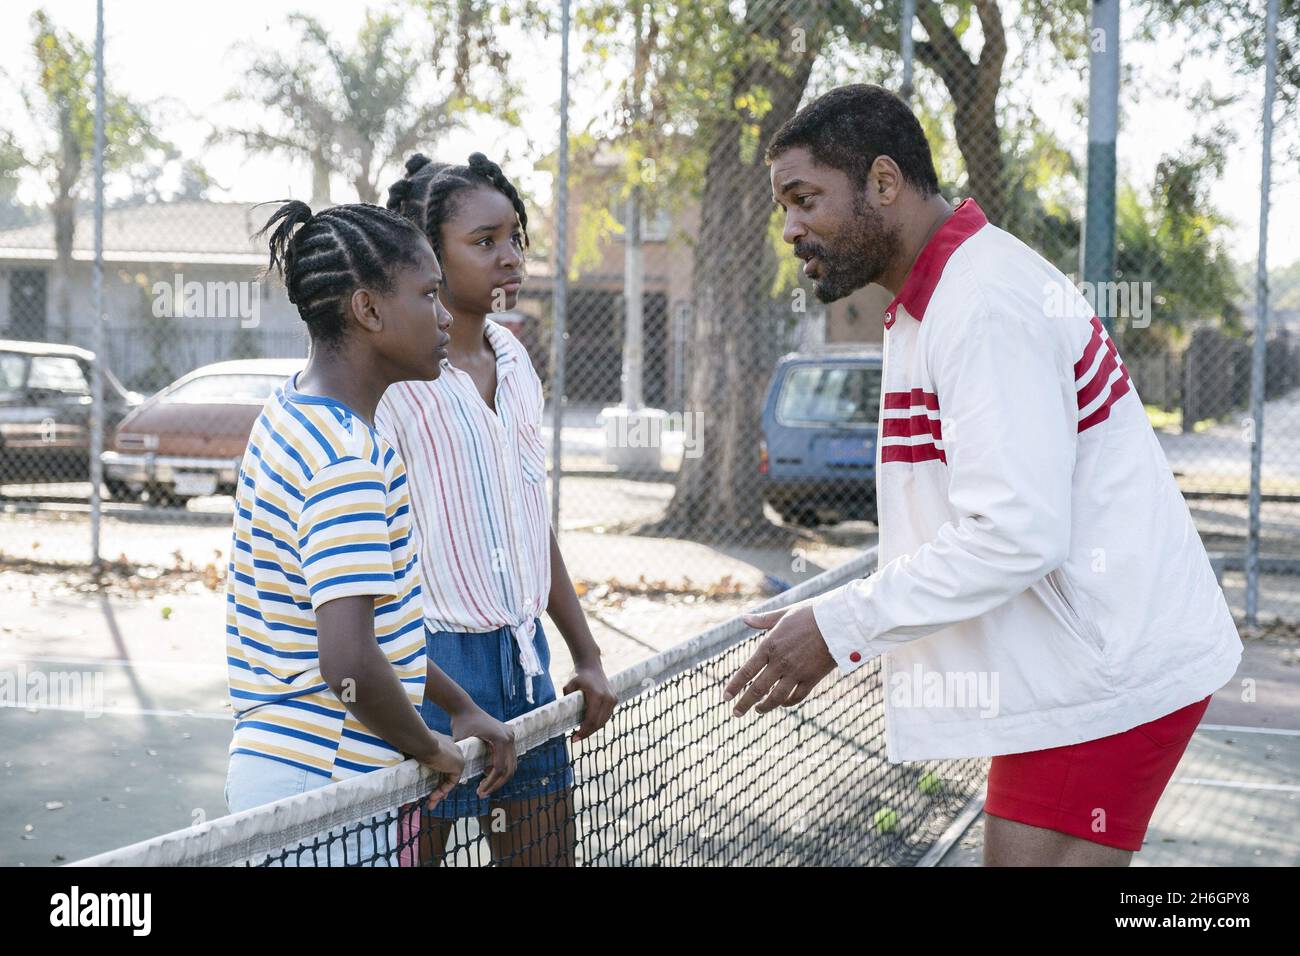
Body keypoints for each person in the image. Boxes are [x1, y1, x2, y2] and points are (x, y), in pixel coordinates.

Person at [725, 84, 1242, 866]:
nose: (791, 228)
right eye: (784, 208)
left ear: (885, 183)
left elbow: (1014, 534)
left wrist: (839, 628)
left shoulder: (984, 300)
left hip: (1109, 670)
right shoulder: (939, 295)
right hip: (1081, 664)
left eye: (805, 200)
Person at [380, 153, 617, 866]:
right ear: (427, 255)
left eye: (513, 236)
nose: (509, 256)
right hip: (429, 674)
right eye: (483, 243)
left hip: (525, 665)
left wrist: (588, 653)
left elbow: (527, 519)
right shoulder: (393, 380)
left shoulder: (514, 361)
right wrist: (439, 694)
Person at [225, 199, 475, 864]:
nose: (445, 315)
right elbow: (348, 663)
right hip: (328, 789)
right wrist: (431, 745)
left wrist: (459, 705)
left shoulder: (290, 412)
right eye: (428, 294)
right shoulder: (345, 460)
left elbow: (364, 638)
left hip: (282, 776)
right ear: (367, 310)